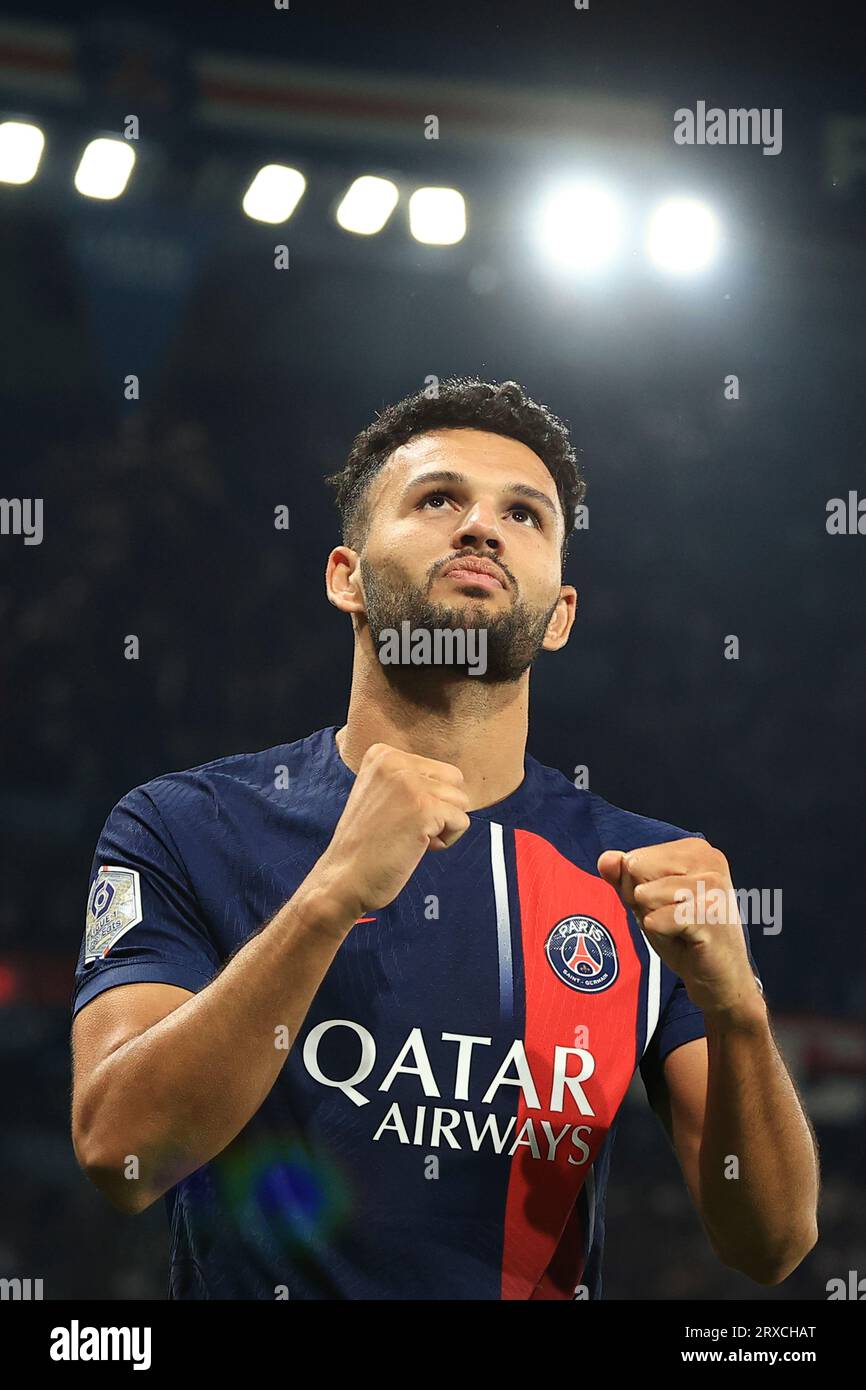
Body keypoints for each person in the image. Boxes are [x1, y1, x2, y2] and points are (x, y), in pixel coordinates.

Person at [70, 377, 819, 1299]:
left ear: (560, 616)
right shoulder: (186, 823)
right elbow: (122, 1156)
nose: (482, 528)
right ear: (346, 575)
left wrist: (736, 1005)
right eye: (438, 500)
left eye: (524, 515)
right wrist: (328, 897)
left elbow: (773, 1245)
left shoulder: (640, 876)